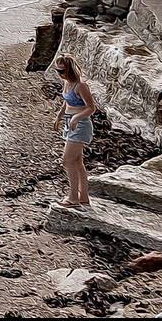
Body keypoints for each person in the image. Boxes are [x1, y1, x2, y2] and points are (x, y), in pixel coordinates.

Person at [53, 55, 96, 209]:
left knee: (67, 160)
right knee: (77, 162)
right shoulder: (67, 84)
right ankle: (83, 197)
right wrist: (59, 116)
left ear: (69, 69)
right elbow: (67, 102)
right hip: (69, 123)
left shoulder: (81, 86)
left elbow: (91, 108)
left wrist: (76, 118)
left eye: (62, 71)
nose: (60, 74)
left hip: (80, 124)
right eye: (57, 71)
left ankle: (73, 198)